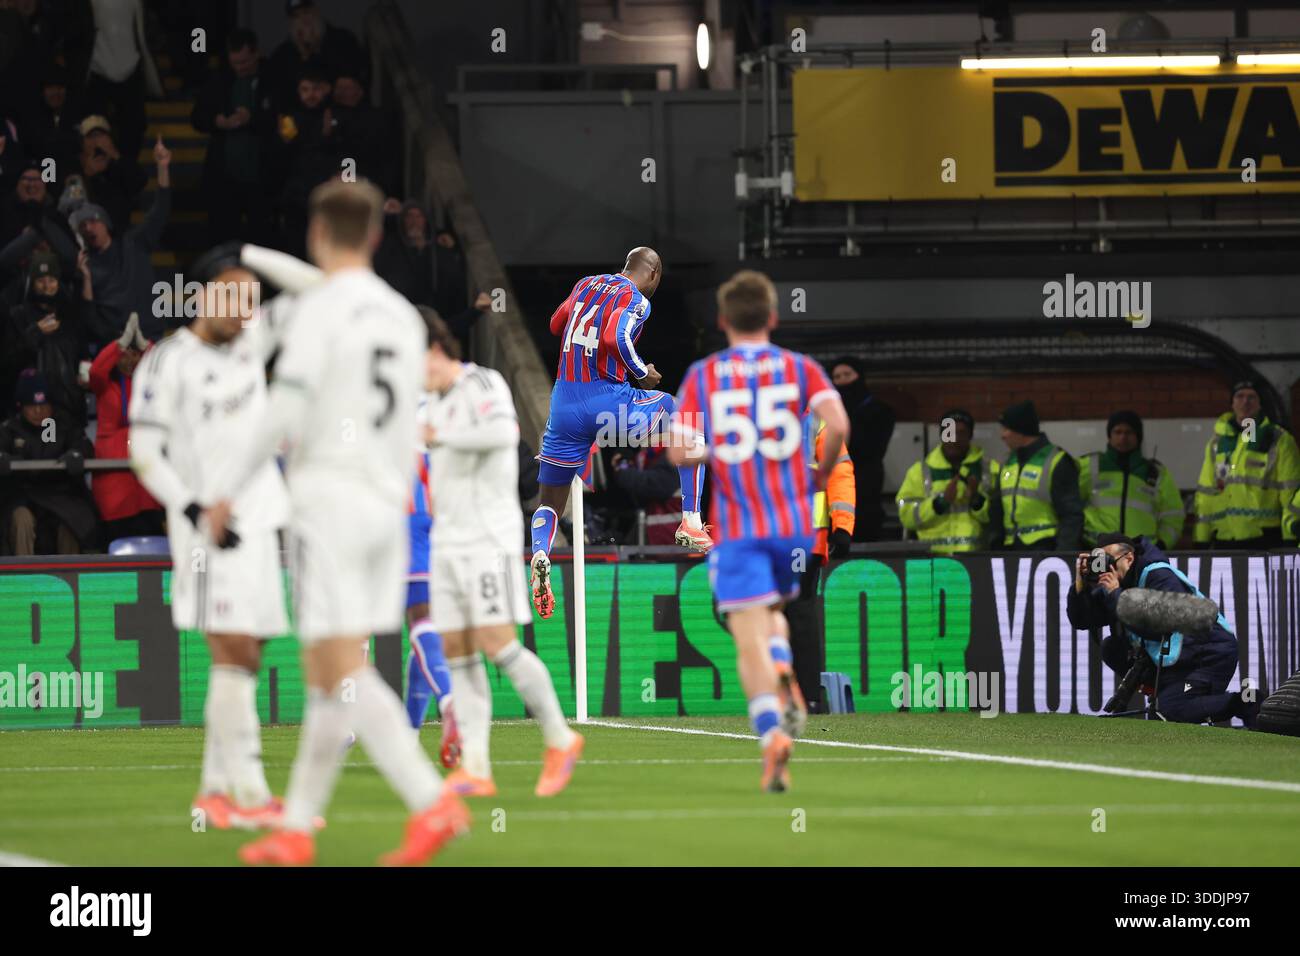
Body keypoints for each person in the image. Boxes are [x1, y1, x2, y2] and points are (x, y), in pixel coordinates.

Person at [213, 180, 466, 867]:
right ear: (377, 237)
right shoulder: (402, 317)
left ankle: (431, 801)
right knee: (333, 675)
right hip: (390, 508)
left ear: (318, 235)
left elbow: (285, 406)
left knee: (337, 666)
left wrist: (226, 487)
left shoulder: (320, 312)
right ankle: (297, 827)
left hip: (331, 499)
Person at [668, 269, 849, 792]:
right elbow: (837, 426)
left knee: (747, 633)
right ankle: (783, 661)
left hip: (742, 527)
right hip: (794, 525)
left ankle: (771, 733)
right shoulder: (802, 368)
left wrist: (720, 451)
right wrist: (816, 472)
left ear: (722, 320)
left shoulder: (705, 373)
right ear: (772, 317)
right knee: (774, 613)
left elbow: (680, 451)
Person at [128, 244, 290, 829]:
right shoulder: (166, 362)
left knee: (247, 656)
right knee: (232, 648)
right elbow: (142, 454)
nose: (248, 309)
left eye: (253, 298)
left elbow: (323, 287)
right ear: (203, 295)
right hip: (207, 531)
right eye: (236, 295)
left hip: (261, 521)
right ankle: (249, 795)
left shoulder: (251, 344)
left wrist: (248, 254)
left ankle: (214, 793)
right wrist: (195, 509)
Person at [421, 309, 583, 798]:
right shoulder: (425, 402)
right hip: (445, 542)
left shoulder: (482, 383)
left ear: (433, 349)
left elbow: (503, 436)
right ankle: (476, 767)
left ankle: (559, 738)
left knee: (498, 643)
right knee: (459, 653)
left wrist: (439, 437)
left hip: (486, 540)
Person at [529, 247, 710, 619]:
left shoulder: (586, 284)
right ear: (654, 274)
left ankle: (540, 553)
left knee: (549, 501)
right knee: (687, 416)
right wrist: (641, 371)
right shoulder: (637, 299)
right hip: (607, 401)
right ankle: (691, 521)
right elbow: (616, 336)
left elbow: (554, 323)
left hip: (563, 404)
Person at [1066, 533, 1256, 726]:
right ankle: (1164, 693)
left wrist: (1116, 595)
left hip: (1208, 653)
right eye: (1099, 561)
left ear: (1129, 558)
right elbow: (1082, 620)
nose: (1104, 567)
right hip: (1180, 657)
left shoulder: (1158, 574)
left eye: (1108, 561)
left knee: (1169, 710)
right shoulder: (1118, 582)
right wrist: (1080, 583)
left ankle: (1246, 702)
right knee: (1112, 647)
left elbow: (1158, 628)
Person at [402, 306, 459, 768]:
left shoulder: (391, 379)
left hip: (405, 506)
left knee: (416, 614)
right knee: (424, 620)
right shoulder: (447, 384)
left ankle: (448, 699)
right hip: (444, 508)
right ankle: (406, 731)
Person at [784, 404, 855, 713]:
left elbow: (840, 471)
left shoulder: (815, 420)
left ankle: (809, 697)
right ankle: (788, 697)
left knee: (798, 617)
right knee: (769, 618)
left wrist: (843, 525)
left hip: (804, 535)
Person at [72, 135, 171, 343]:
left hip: (150, 335)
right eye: (83, 226)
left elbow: (159, 211)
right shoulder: (86, 265)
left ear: (106, 224)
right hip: (115, 344)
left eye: (93, 221)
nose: (89, 228)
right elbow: (90, 319)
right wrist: (87, 280)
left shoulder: (133, 243)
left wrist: (163, 167)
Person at [191, 28, 277, 247]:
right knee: (222, 238)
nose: (240, 68)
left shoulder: (273, 77)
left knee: (262, 239)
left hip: (262, 178)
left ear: (257, 53)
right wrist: (217, 121)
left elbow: (283, 118)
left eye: (245, 62)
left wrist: (254, 118)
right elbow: (198, 117)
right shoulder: (221, 79)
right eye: (236, 62)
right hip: (225, 179)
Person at [0, 369, 97, 555]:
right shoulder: (10, 428)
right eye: (31, 405)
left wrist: (76, 454)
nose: (38, 411)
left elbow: (82, 446)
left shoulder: (56, 426)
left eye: (44, 405)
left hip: (59, 496)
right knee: (21, 519)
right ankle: (24, 579)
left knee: (72, 522)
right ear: (21, 405)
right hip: (23, 497)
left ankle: (70, 579)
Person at [1193, 381, 1300, 549]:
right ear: (1232, 403)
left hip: (1265, 538)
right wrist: (1201, 540)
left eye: (1251, 397)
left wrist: (1290, 539)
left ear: (1260, 404)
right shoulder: (1217, 442)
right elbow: (1206, 493)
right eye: (1240, 396)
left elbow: (1289, 492)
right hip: (1224, 538)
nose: (1245, 402)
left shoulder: (1278, 439)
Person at [88, 311, 161, 544]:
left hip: (147, 488)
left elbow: (163, 368)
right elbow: (96, 371)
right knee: (117, 553)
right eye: (124, 354)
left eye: (135, 353)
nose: (129, 359)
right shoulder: (104, 386)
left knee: (154, 555)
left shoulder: (150, 385)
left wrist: (146, 345)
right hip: (116, 486)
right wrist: (119, 344)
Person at [1079, 410, 1184, 550]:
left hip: (1141, 553)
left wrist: (1161, 545)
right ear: (1109, 436)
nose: (1123, 437)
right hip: (1096, 550)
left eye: (1129, 432)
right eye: (1117, 432)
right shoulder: (1090, 465)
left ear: (1138, 437)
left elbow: (1173, 515)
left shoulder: (1156, 473)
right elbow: (1070, 508)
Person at [5, 250, 88, 427]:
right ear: (31, 283)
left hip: (69, 412)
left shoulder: (69, 315)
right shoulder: (18, 316)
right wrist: (36, 331)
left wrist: (84, 374)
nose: (46, 286)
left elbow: (83, 353)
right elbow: (8, 361)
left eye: (51, 280)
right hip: (32, 412)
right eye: (40, 281)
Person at [896, 409, 996, 553]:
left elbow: (999, 519)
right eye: (949, 432)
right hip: (932, 563)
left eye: (961, 433)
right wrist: (939, 503)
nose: (954, 439)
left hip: (977, 560)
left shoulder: (990, 469)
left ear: (971, 435)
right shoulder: (919, 472)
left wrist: (976, 500)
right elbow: (907, 518)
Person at [988, 399, 1082, 551]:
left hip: (1046, 551)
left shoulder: (1056, 461)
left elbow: (1071, 515)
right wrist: (995, 546)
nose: (1002, 435)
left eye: (1006, 429)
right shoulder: (1007, 463)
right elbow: (997, 510)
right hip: (1010, 552)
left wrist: (1062, 556)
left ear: (1021, 429)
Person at [828, 356, 894, 542]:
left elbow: (872, 448)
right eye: (837, 377)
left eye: (847, 374)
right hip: (832, 500)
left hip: (866, 497)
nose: (842, 381)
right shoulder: (825, 414)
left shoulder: (880, 411)